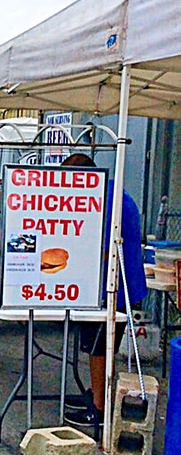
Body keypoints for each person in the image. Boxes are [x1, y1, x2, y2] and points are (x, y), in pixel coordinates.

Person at [60, 153, 147, 430]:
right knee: (96, 345)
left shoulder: (106, 201)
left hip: (114, 288)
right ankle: (95, 393)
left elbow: (107, 250)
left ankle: (98, 408)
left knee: (100, 347)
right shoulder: (113, 191)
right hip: (119, 284)